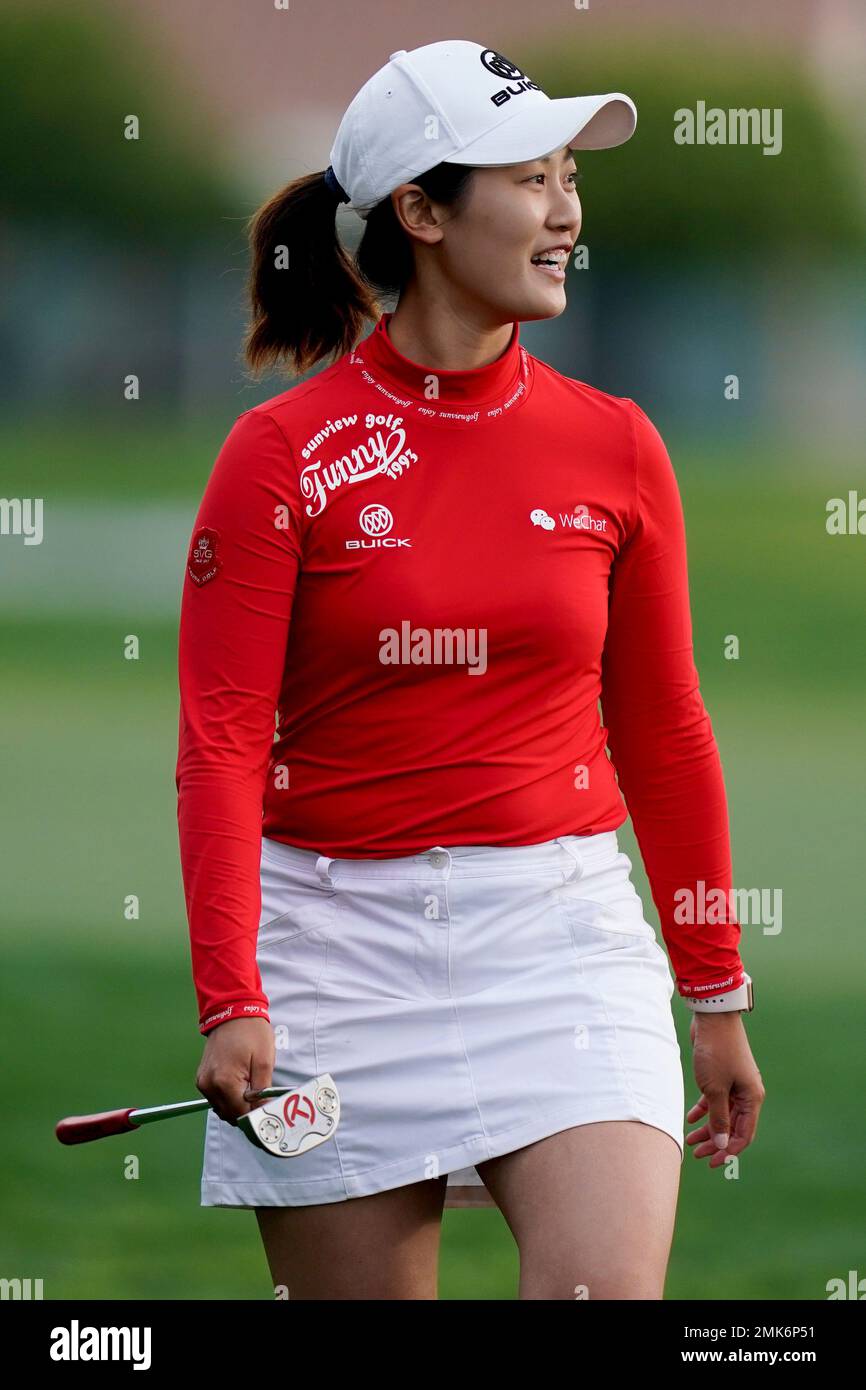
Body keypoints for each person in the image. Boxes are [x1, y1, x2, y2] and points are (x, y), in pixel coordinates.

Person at [176, 39, 764, 1300]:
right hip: (334, 951)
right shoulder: (278, 454)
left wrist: (713, 990)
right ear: (423, 211)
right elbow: (221, 742)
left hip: (561, 942)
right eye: (532, 180)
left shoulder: (616, 446)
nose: (566, 213)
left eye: (567, 179)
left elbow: (662, 731)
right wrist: (231, 992)